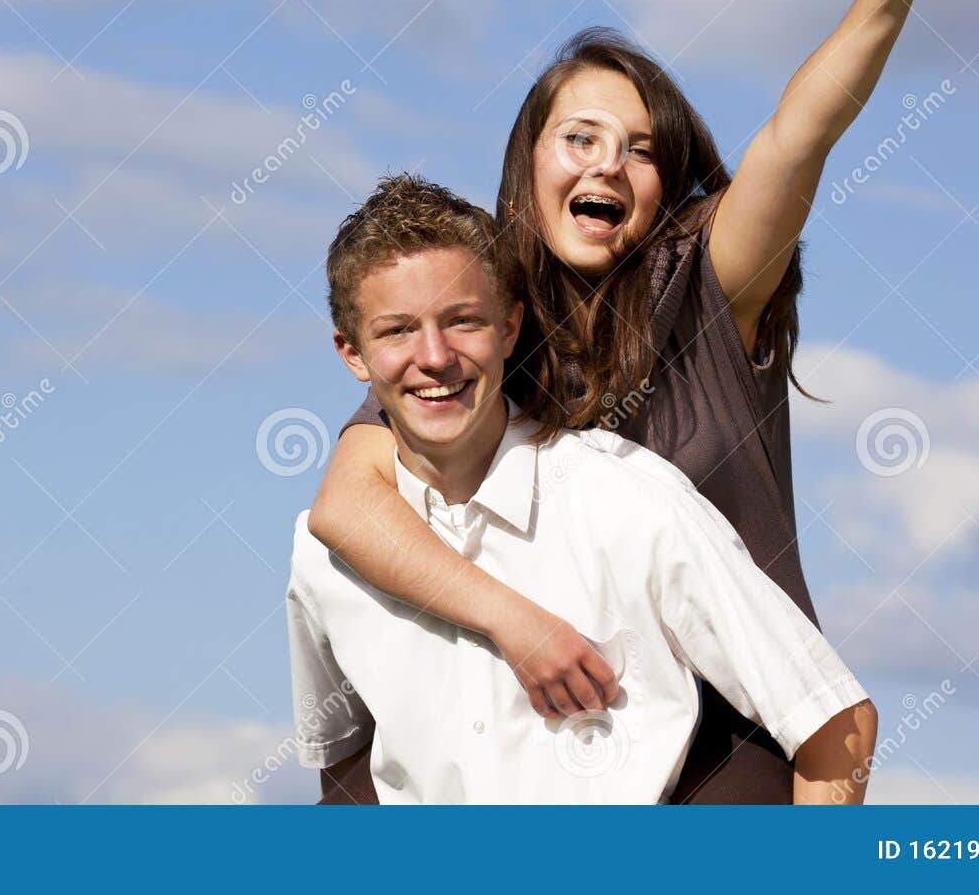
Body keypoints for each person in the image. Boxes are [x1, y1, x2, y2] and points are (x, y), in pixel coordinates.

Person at [307, 0, 938, 804]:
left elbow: (798, 137)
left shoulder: (706, 284)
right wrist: (517, 624)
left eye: (642, 149)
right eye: (582, 137)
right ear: (528, 164)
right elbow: (345, 511)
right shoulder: (473, 338)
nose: (610, 162)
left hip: (741, 755)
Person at [287, 174, 876, 803]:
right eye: (397, 330)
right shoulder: (319, 558)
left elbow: (837, 723)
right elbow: (344, 765)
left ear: (509, 328)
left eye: (462, 321)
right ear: (351, 353)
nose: (434, 356)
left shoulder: (630, 503)